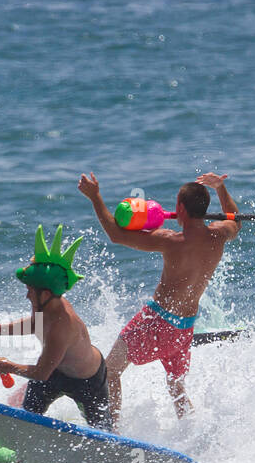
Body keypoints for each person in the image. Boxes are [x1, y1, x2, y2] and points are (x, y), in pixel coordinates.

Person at [78, 171, 240, 424]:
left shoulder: (172, 240)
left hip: (156, 323)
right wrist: (220, 188)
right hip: (184, 330)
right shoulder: (219, 234)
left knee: (109, 372)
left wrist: (95, 196)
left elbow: (116, 235)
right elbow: (236, 220)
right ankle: (190, 432)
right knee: (176, 386)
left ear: (181, 209)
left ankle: (112, 432)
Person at [0, 225, 112, 430]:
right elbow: (34, 324)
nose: (26, 295)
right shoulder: (44, 305)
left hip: (87, 381)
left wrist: (8, 366)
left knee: (103, 434)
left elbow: (41, 372)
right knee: (26, 417)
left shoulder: (62, 327)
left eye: (30, 290)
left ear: (46, 294)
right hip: (55, 373)